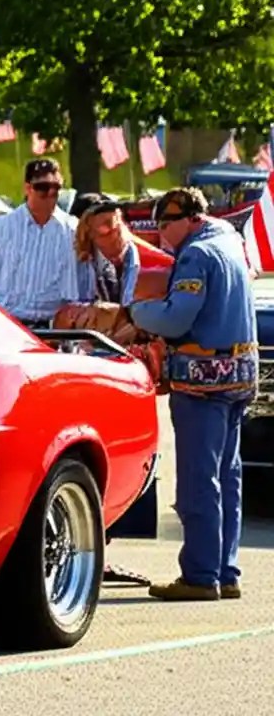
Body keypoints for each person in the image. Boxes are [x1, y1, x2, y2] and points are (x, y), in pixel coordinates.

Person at [128, 187, 257, 601]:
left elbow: (177, 318)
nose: (162, 232)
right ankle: (225, 570)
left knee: (200, 483)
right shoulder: (229, 240)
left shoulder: (197, 255)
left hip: (204, 383)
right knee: (228, 477)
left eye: (167, 223)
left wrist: (134, 311)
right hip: (239, 377)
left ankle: (201, 576)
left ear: (190, 217)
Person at [0, 158, 80, 328]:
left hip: (54, 330)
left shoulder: (73, 230)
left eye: (56, 188)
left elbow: (78, 292)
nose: (50, 194)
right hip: (9, 325)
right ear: (27, 188)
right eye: (43, 188)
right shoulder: (1, 227)